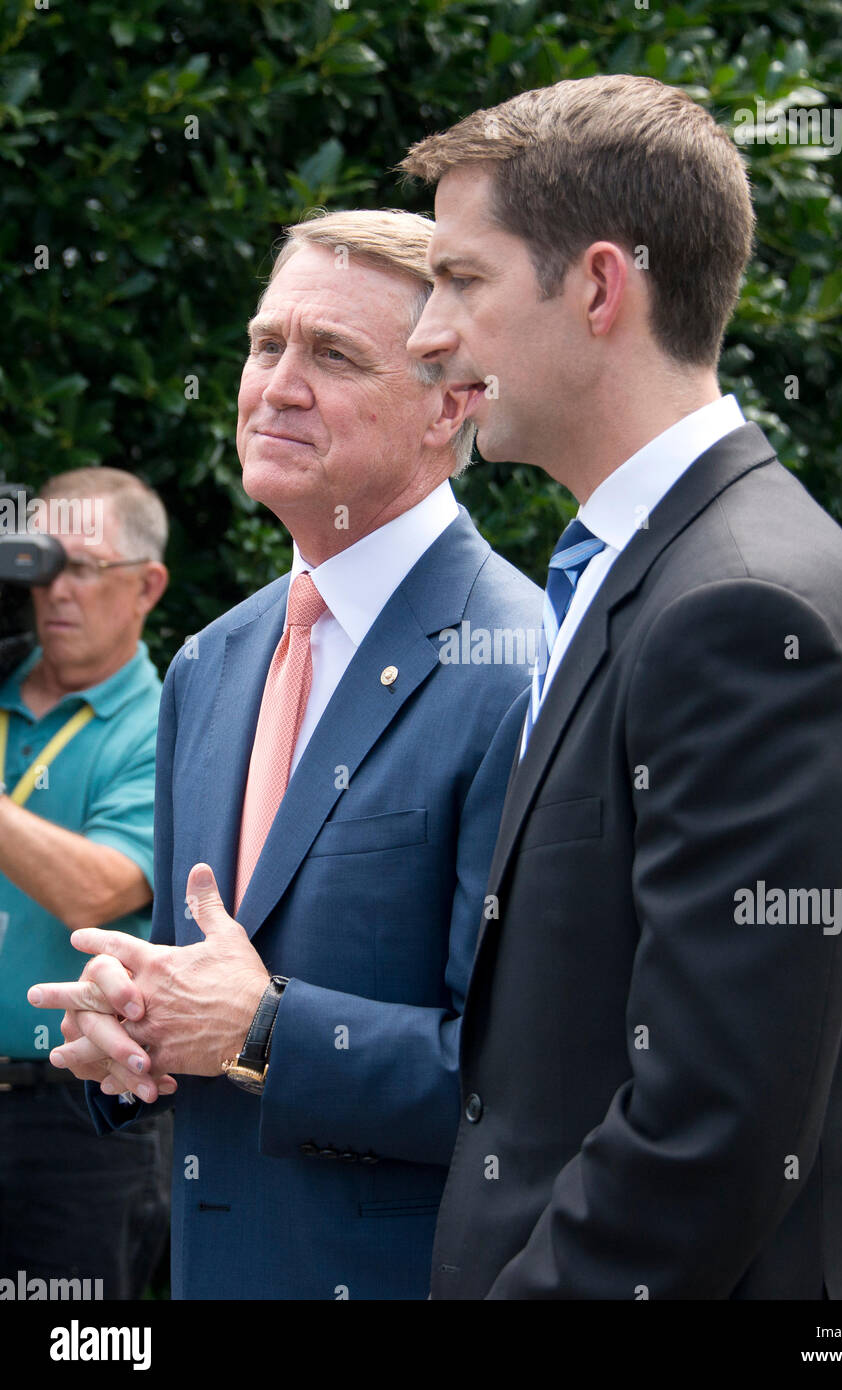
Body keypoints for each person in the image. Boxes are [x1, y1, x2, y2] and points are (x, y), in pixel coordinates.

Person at [399, 74, 842, 1299]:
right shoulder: (660, 569)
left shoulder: (746, 613)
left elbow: (709, 1133)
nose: (425, 332)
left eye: (462, 280)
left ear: (598, 285)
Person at [31, 209, 541, 1300]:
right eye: (267, 345)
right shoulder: (208, 664)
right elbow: (196, 980)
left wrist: (264, 1031)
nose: (278, 385)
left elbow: (533, 1085)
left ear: (451, 402)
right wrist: (126, 1031)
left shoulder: (520, 664)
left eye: (335, 355)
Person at [0, 468, 171, 1298]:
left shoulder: (166, 720)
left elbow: (96, 891)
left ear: (147, 586)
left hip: (77, 1118)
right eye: (41, 564)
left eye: (85, 568)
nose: (55, 591)